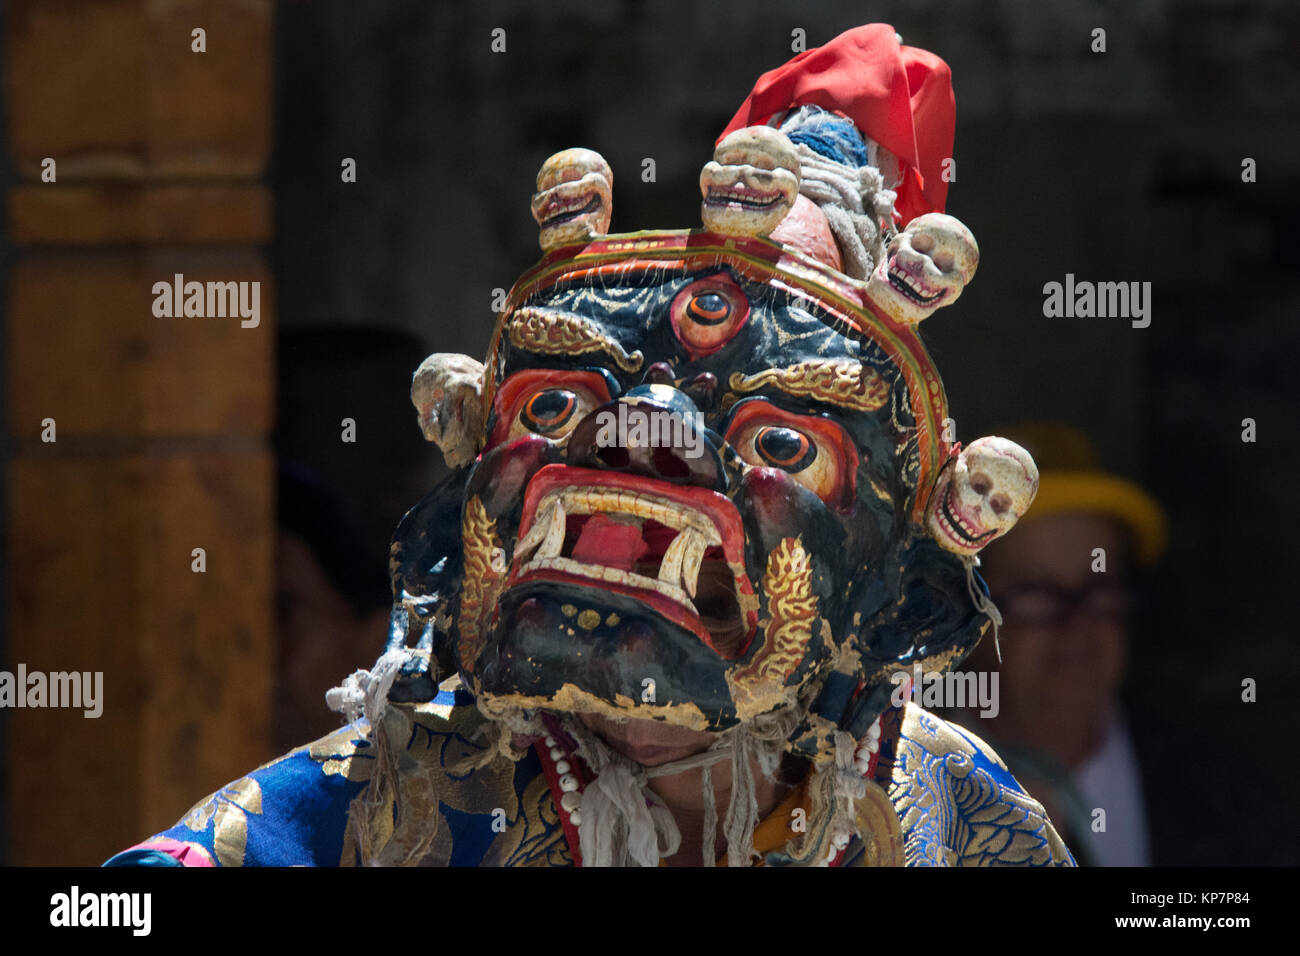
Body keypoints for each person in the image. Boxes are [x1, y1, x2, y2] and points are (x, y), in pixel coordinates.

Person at [106, 24, 1072, 868]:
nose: (643, 441)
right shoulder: (385, 809)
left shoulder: (954, 815)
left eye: (780, 442)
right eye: (559, 408)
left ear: (899, 583)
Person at [943, 423, 1166, 866]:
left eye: (1100, 589)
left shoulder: (1225, 789)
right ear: (963, 616)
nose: (1077, 624)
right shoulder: (898, 797)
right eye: (1035, 594)